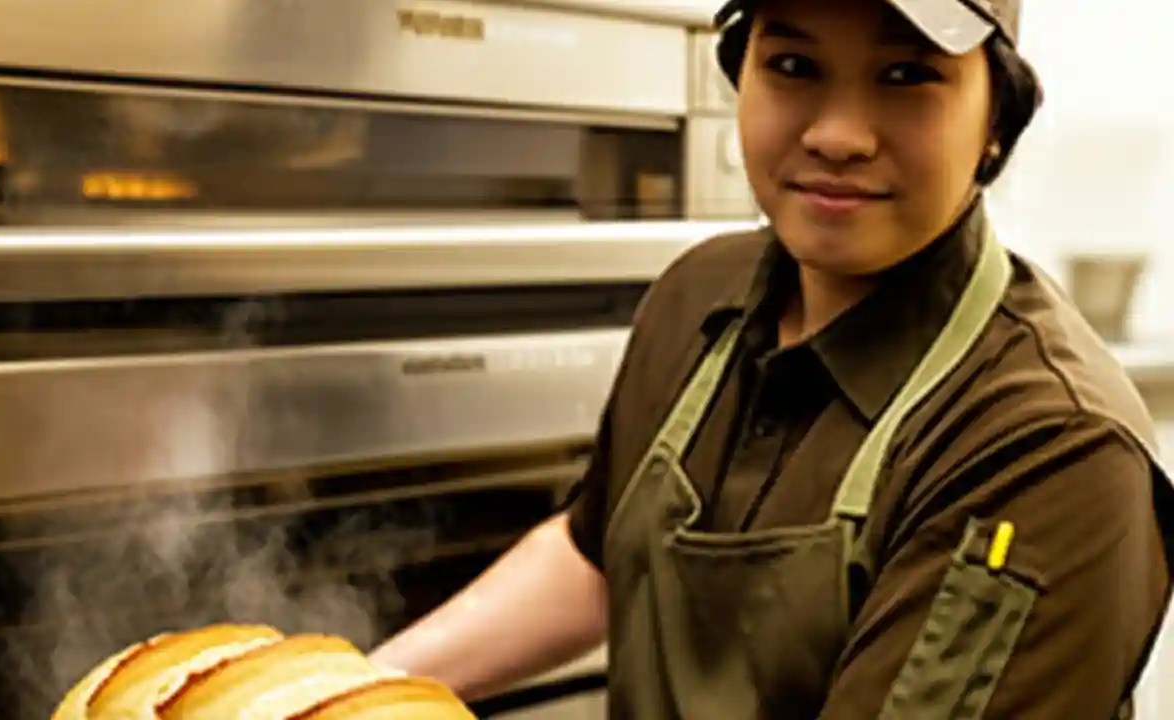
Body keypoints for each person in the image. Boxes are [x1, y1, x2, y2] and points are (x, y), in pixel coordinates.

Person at [370, 0, 1174, 716]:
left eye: (905, 75)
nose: (836, 136)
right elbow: (599, 559)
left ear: (998, 117)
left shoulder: (1050, 449)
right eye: (793, 65)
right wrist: (345, 693)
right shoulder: (697, 297)